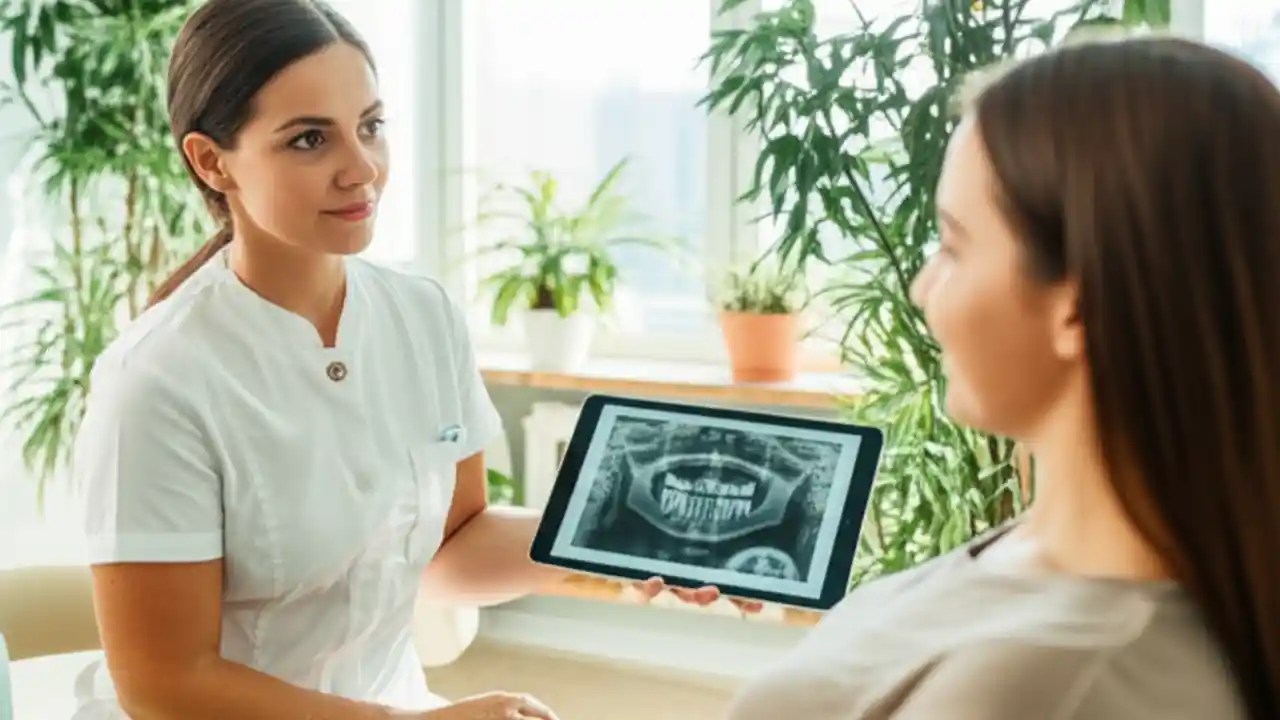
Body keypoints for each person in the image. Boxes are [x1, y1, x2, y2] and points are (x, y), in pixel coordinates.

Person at [69, 1, 732, 718]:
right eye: (308, 141)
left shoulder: (424, 317)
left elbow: (454, 546)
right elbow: (167, 684)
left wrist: (619, 538)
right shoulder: (158, 380)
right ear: (212, 161)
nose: (362, 170)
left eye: (371, 127)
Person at [726, 37, 1279, 720]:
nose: (923, 288)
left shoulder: (1051, 682)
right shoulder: (1028, 562)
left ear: (1078, 305)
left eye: (954, 246)